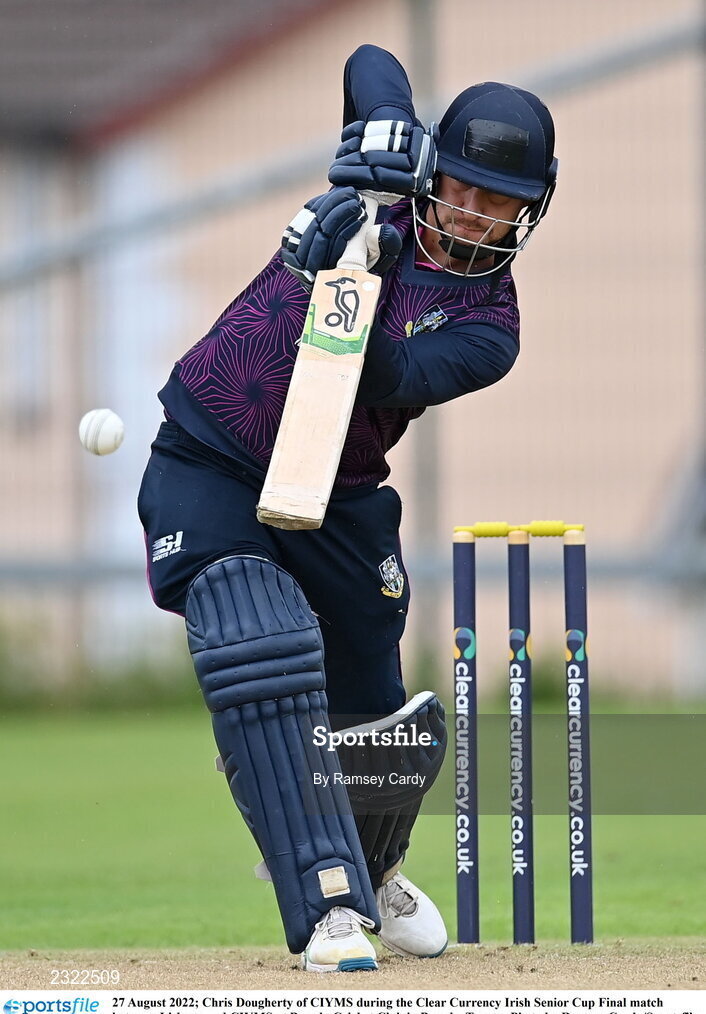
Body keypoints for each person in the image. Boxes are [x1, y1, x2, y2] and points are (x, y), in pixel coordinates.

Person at [138, 44, 557, 973]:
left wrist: (339, 277)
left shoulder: (490, 329)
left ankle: (375, 869)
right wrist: (382, 135)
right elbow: (371, 59)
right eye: (463, 185)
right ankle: (327, 904)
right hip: (213, 454)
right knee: (262, 645)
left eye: (501, 202)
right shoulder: (386, 193)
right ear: (435, 170)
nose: (475, 213)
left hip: (342, 490)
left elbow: (392, 374)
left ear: (530, 214)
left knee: (383, 725)